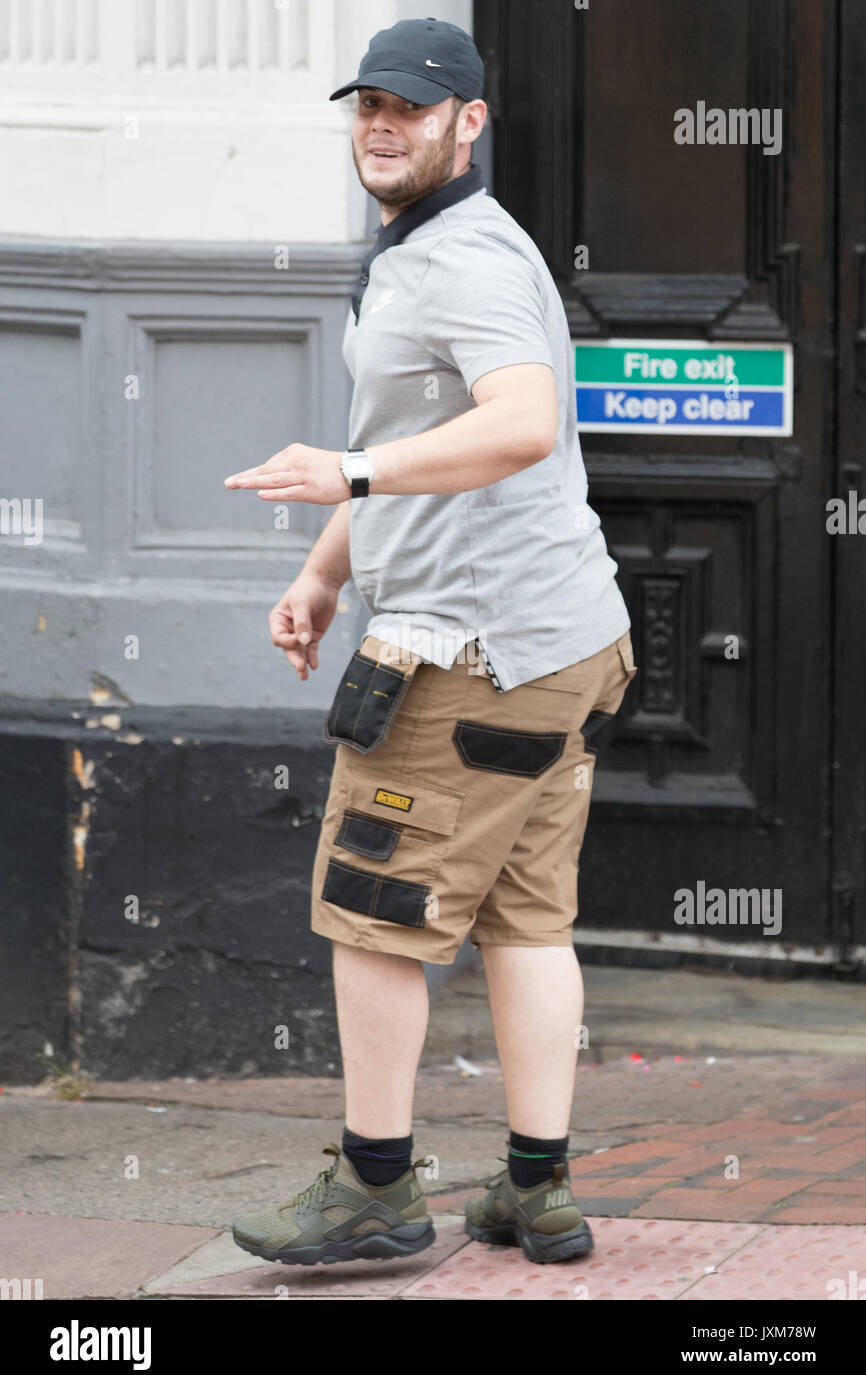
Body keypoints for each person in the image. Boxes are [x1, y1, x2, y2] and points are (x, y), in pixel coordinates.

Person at [224, 16, 637, 1268]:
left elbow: (517, 424)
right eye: (366, 107)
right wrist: (319, 565)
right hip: (562, 644)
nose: (382, 126)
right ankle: (536, 1188)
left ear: (470, 122)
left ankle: (375, 1185)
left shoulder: (461, 259)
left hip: (472, 657)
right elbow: (422, 435)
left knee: (371, 907)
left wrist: (344, 471)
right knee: (524, 918)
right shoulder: (431, 250)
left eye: (411, 107)